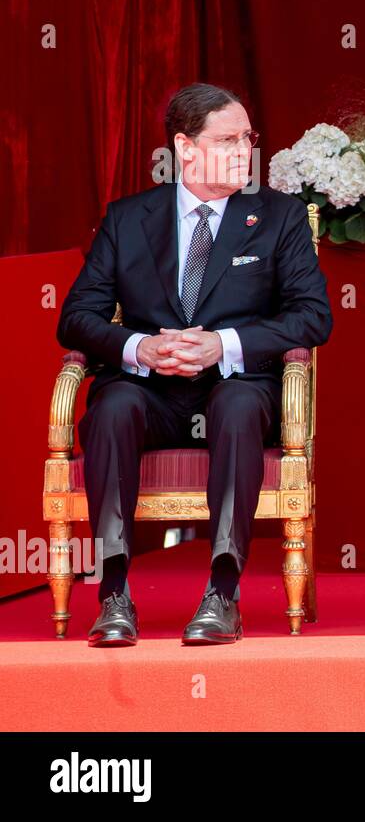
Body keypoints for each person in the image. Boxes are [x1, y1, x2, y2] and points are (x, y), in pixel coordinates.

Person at [57, 83, 333, 647]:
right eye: (228, 139)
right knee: (112, 406)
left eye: (248, 138)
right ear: (184, 148)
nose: (244, 151)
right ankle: (113, 593)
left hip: (235, 387)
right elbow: (76, 318)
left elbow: (312, 317)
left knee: (234, 404)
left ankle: (222, 593)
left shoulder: (277, 218)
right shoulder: (129, 218)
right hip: (149, 393)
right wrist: (141, 348)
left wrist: (224, 343)